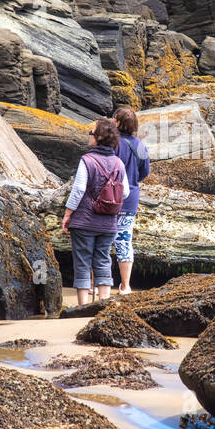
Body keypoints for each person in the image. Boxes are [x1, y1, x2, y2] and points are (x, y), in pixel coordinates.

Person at [62, 118, 130, 306]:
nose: (89, 135)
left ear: (99, 137)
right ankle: (103, 304)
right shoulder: (119, 163)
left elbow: (78, 190)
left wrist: (68, 214)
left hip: (84, 221)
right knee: (103, 260)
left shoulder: (87, 160)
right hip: (109, 223)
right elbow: (125, 192)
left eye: (91, 133)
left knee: (82, 262)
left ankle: (83, 307)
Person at [112, 107, 150, 295]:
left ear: (118, 123)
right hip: (131, 198)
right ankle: (125, 285)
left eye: (114, 118)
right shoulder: (141, 145)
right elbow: (145, 172)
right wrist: (132, 180)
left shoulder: (113, 143)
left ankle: (96, 285)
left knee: (101, 239)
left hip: (110, 197)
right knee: (124, 240)